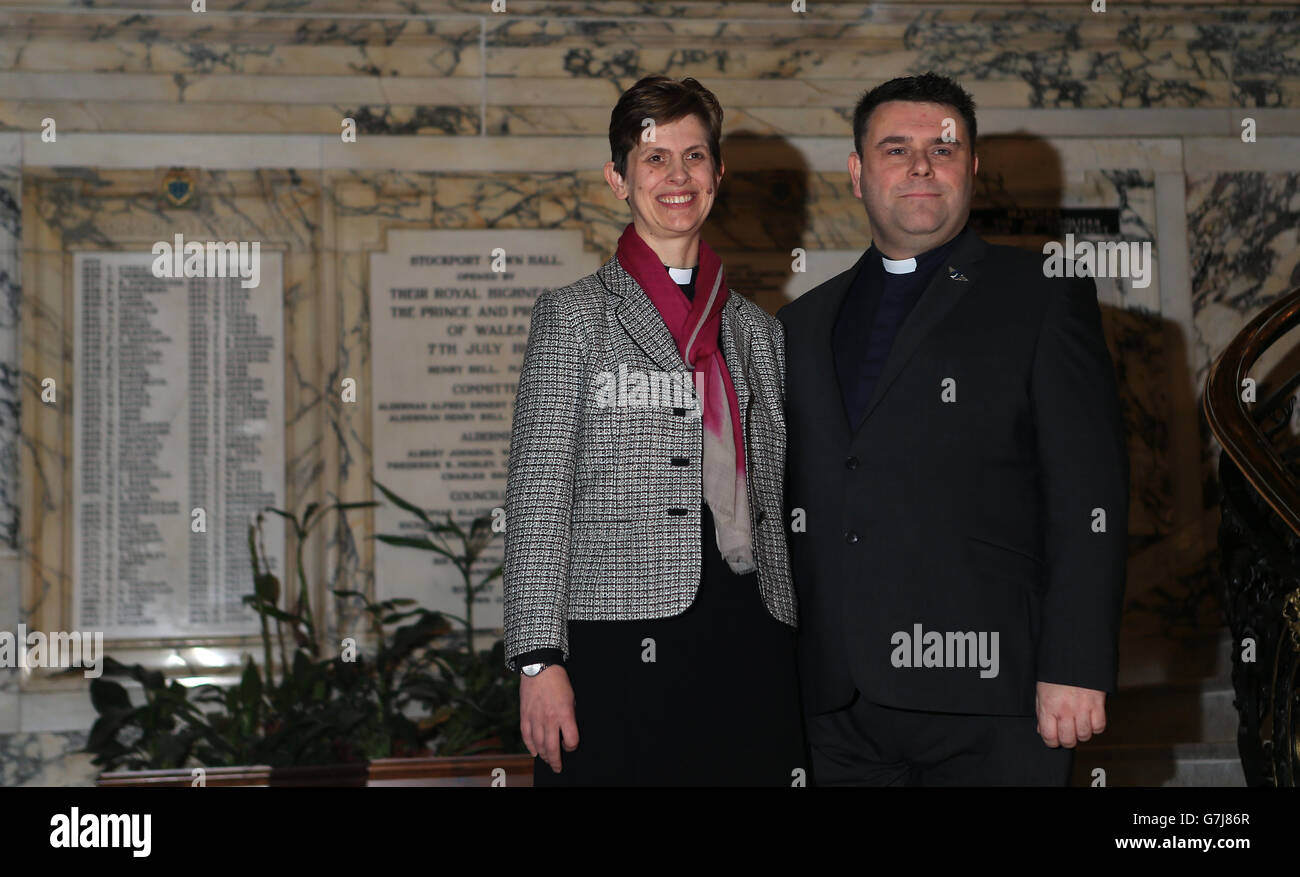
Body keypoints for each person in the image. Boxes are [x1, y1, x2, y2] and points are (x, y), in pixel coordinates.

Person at [777, 72, 1129, 785]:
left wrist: (1076, 665)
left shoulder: (1042, 296)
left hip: (993, 697)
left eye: (942, 149)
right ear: (856, 172)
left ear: (972, 167)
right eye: (895, 149)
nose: (919, 167)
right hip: (836, 707)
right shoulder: (800, 323)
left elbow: (1088, 495)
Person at [503, 73, 803, 786]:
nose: (677, 175)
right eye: (654, 157)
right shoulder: (573, 317)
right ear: (618, 177)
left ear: (718, 173)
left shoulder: (759, 332)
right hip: (614, 643)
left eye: (694, 156)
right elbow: (538, 497)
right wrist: (539, 660)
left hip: (748, 631)